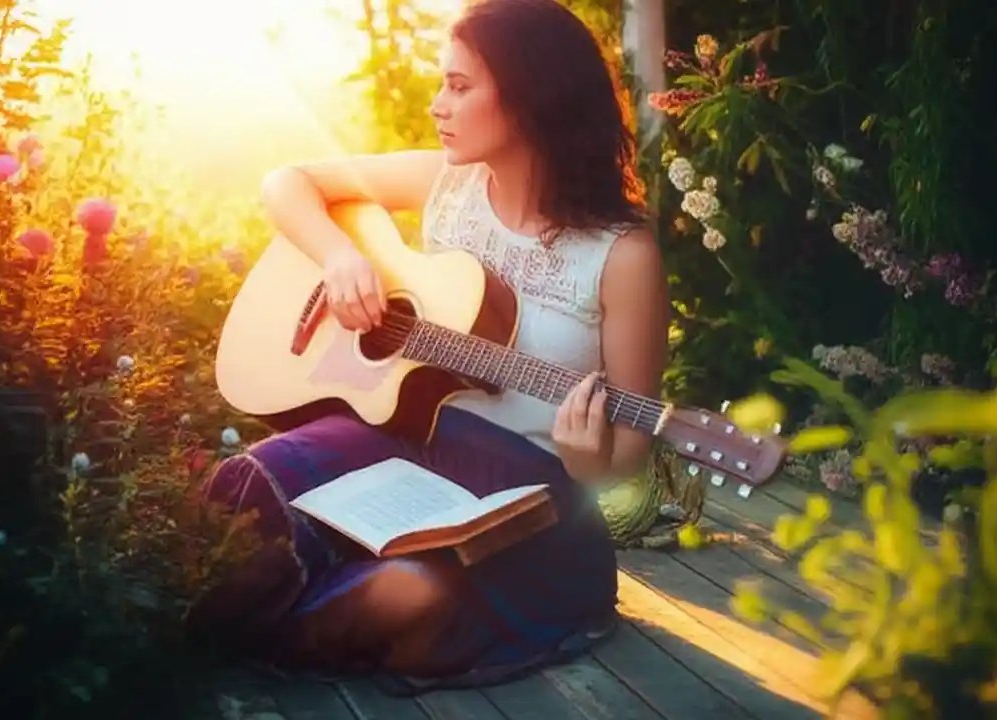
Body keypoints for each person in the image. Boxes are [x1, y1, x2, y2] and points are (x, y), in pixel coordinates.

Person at [185, 0, 670, 695]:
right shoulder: (444, 186)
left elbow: (629, 450)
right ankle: (253, 607)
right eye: (442, 82)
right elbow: (287, 182)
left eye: (460, 85)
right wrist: (338, 260)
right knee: (237, 489)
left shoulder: (623, 255)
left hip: (527, 503)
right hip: (409, 447)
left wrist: (589, 459)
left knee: (400, 597)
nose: (438, 104)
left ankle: (250, 617)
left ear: (531, 94)